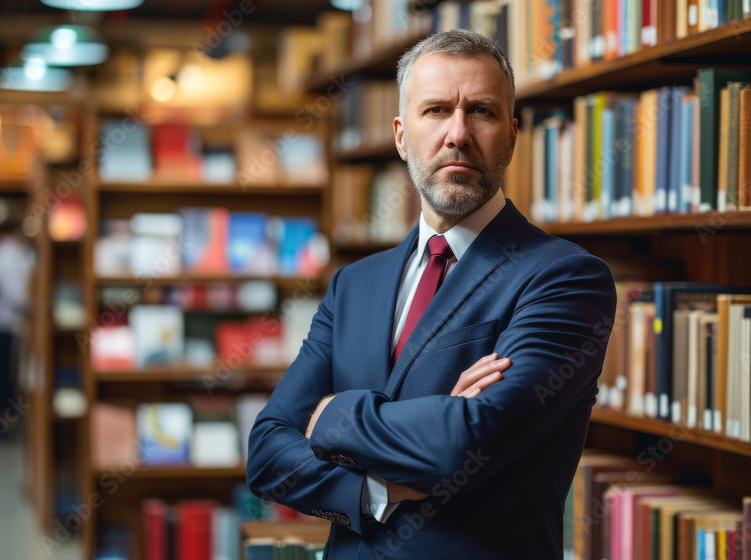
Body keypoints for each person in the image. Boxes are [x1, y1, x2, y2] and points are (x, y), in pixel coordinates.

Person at [247, 29, 617, 559]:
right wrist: (374, 492)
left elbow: (463, 444)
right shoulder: (354, 285)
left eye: (483, 112)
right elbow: (266, 454)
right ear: (401, 135)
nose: (458, 133)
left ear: (512, 135)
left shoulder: (566, 278)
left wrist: (327, 415)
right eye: (437, 110)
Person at [0, 220, 36, 435]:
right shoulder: (6, 255)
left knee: (7, 376)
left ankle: (5, 421)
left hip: (9, 324)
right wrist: (33, 304)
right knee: (4, 376)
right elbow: (14, 293)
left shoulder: (14, 253)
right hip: (4, 325)